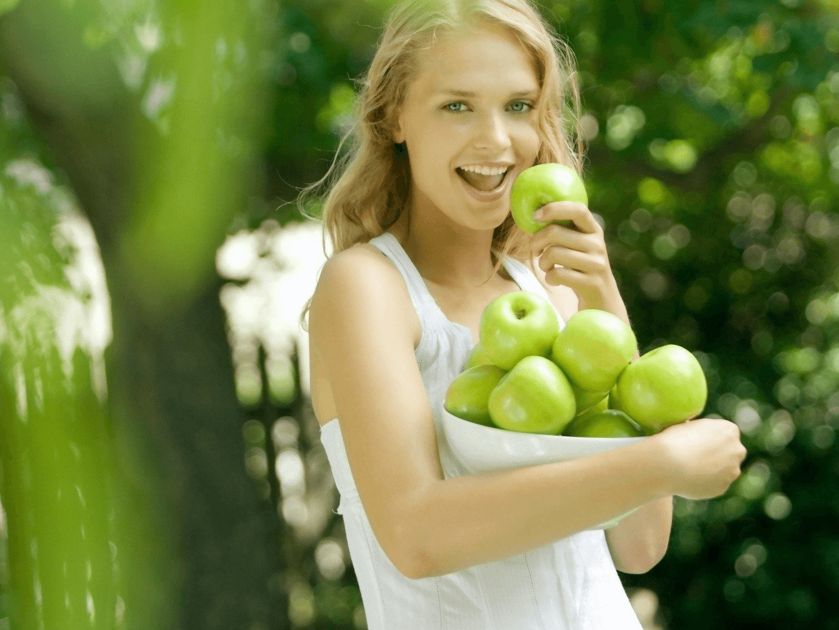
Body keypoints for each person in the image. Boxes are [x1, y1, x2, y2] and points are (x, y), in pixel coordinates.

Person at [300, 0, 748, 627]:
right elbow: (417, 535)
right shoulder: (364, 287)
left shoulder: (551, 292)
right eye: (457, 106)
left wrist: (602, 298)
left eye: (518, 107)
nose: (496, 139)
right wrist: (661, 462)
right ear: (395, 116)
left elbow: (640, 546)